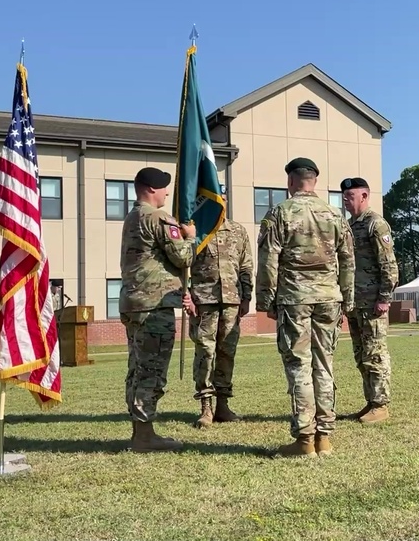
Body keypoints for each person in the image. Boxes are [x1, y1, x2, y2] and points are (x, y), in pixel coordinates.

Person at [256, 157, 355, 458]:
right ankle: (324, 437)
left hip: (294, 299)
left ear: (290, 182)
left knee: (299, 367)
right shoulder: (335, 215)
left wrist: (265, 301)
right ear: (314, 180)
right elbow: (348, 261)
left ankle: (304, 439)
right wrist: (347, 300)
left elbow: (268, 261)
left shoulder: (279, 213)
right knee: (324, 365)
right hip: (329, 299)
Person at [119, 166, 196, 452]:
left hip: (134, 303)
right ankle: (144, 435)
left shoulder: (132, 216)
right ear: (151, 189)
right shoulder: (158, 218)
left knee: (137, 368)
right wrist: (190, 236)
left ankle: (140, 430)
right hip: (154, 306)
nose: (166, 192)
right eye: (164, 187)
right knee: (151, 369)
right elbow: (183, 257)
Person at [181, 218, 254, 428]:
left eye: (223, 197)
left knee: (227, 352)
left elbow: (246, 266)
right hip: (203, 301)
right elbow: (182, 265)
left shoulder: (238, 230)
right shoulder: (195, 229)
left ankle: (223, 405)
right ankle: (206, 406)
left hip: (232, 300)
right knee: (205, 351)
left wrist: (246, 297)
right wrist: (186, 295)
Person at [340, 177, 399, 424]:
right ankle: (370, 402)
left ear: (364, 196)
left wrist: (384, 298)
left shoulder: (376, 224)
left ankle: (381, 405)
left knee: (375, 353)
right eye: (344, 196)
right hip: (356, 304)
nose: (345, 200)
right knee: (361, 355)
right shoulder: (350, 226)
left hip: (373, 302)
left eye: (350, 196)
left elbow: (389, 265)